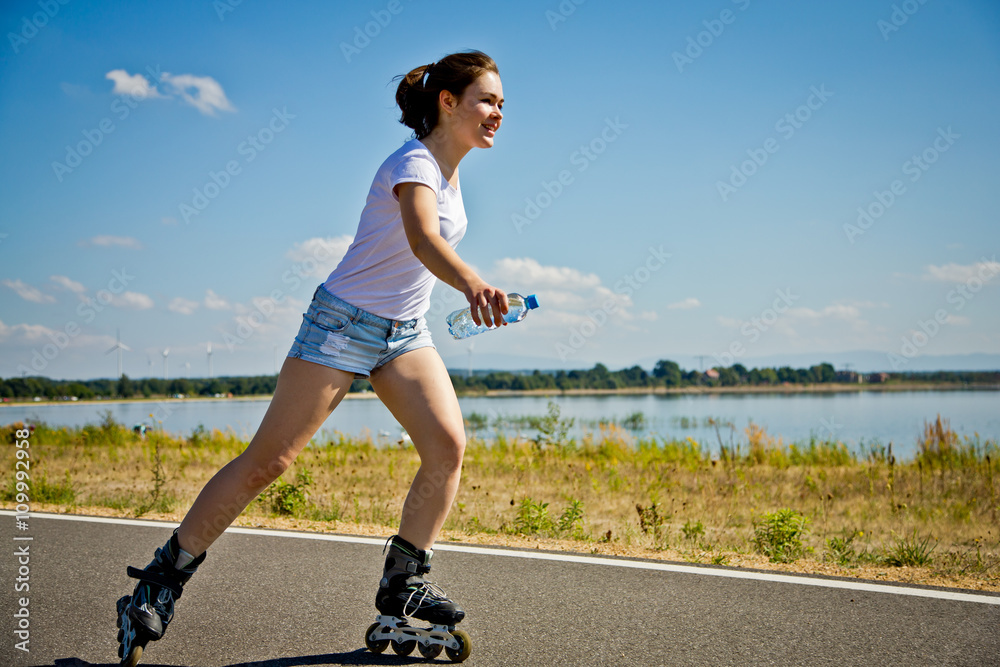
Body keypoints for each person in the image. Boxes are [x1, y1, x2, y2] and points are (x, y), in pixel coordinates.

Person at [116, 50, 506, 665]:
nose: (497, 113)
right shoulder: (412, 163)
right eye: (487, 100)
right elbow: (421, 238)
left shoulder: (453, 176)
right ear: (447, 102)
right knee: (268, 462)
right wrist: (473, 285)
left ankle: (402, 587)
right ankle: (162, 579)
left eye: (502, 104)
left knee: (448, 446)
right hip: (342, 325)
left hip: (404, 332)